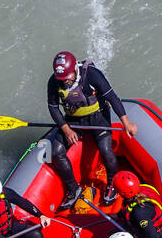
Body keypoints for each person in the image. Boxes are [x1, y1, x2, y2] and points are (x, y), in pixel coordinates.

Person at [46, 51, 138, 209]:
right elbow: (53, 107)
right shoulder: (54, 81)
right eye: (61, 78)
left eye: (67, 76)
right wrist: (66, 129)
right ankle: (74, 189)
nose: (65, 81)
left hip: (98, 118)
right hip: (73, 121)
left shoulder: (92, 75)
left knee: (106, 150)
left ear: (74, 69)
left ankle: (111, 185)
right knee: (56, 152)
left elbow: (112, 98)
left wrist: (126, 122)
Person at [113, 170, 162, 238]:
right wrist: (119, 215)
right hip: (154, 230)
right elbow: (128, 206)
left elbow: (153, 237)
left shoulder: (139, 213)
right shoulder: (144, 188)